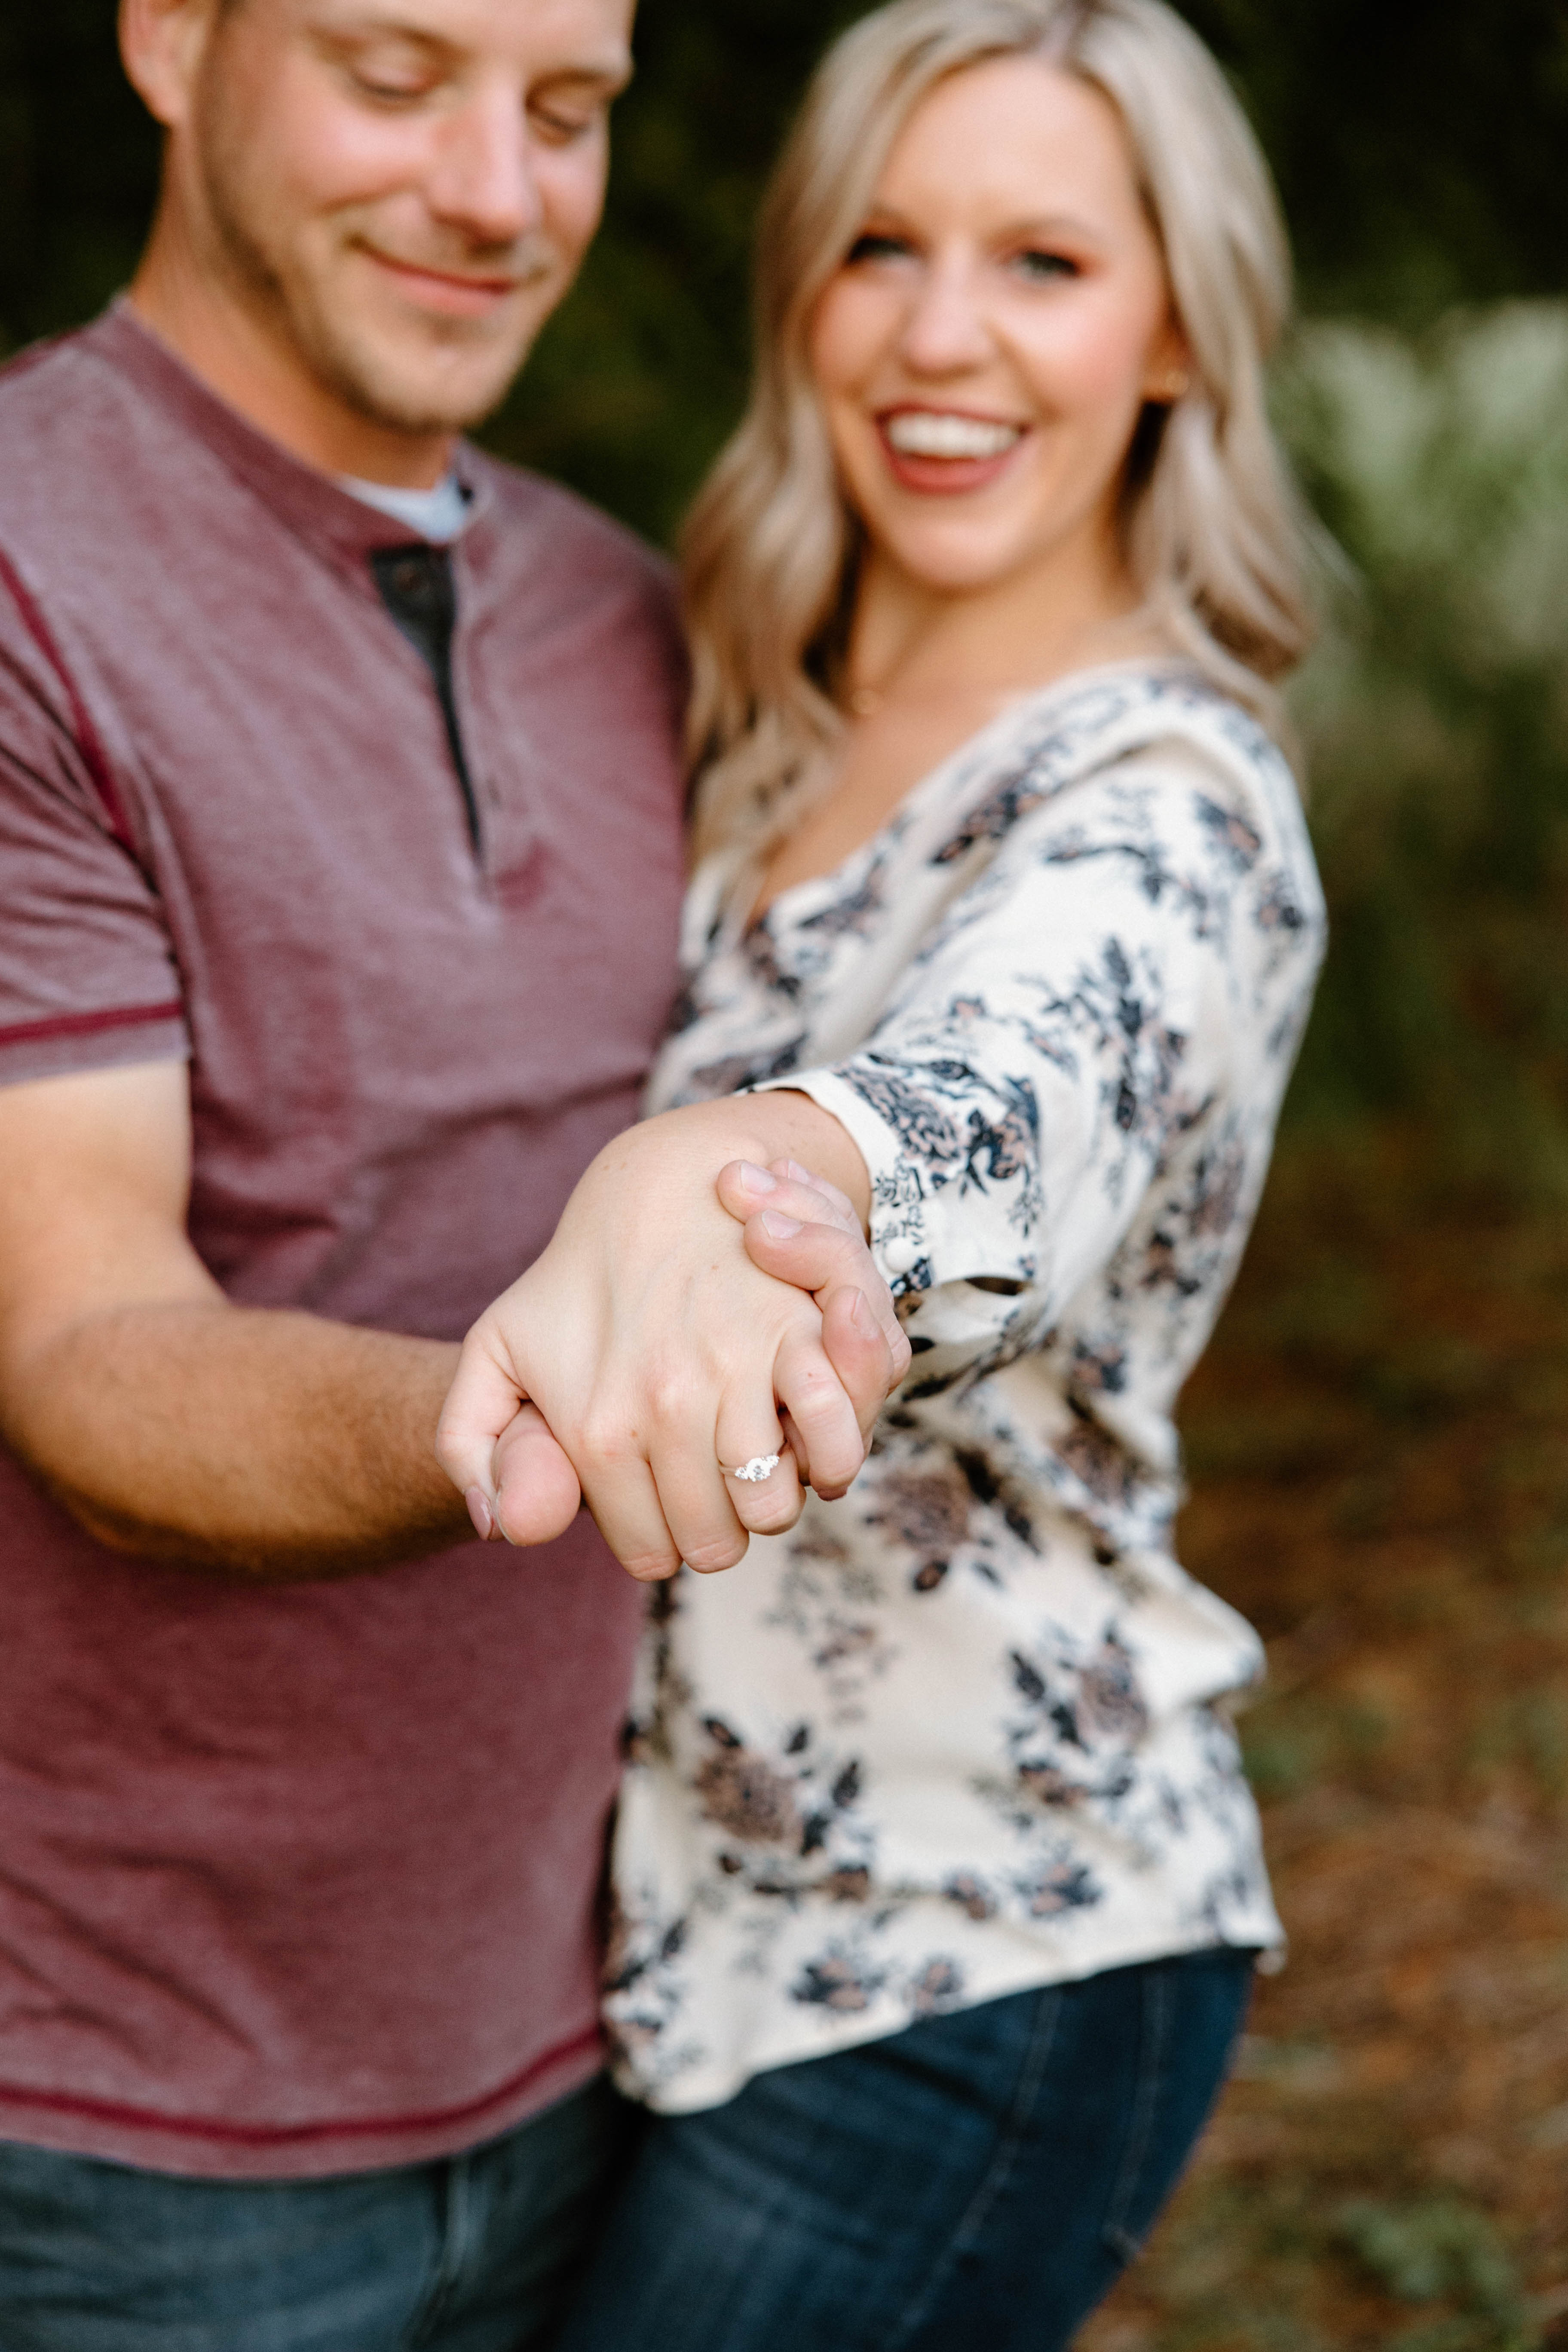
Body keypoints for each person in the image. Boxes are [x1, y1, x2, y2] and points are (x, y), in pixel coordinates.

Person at [0, 1, 903, 2345]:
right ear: (174, 38)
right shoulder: (21, 574)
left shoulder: (633, 610)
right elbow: (86, 1340)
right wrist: (525, 1401)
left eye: (572, 108)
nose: (500, 195)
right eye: (398, 78)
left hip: (620, 2047)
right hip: (114, 2146)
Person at [440, 1, 1327, 2343]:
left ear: (1172, 332)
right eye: (880, 248)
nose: (944, 336)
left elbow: (1027, 1077)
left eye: (1044, 261)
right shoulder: (746, 721)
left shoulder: (1171, 791)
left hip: (980, 1956)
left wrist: (776, 1165)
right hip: (679, 1933)